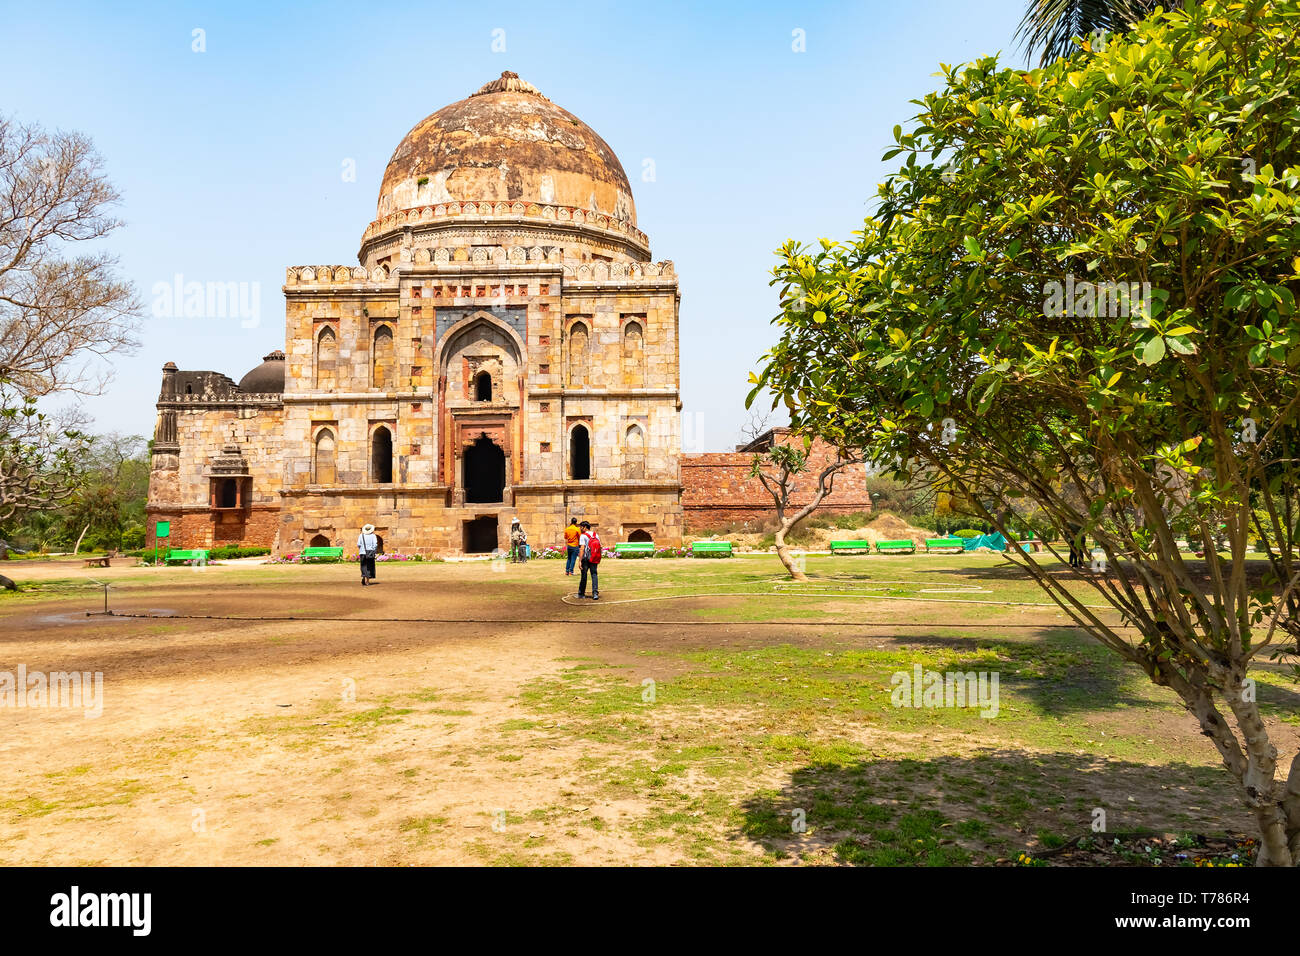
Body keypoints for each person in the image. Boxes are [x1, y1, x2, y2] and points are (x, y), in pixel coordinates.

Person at [577, 520, 601, 600]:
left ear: (585, 527)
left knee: (584, 575)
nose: (580, 529)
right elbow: (599, 546)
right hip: (594, 557)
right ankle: (595, 593)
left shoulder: (583, 536)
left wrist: (580, 560)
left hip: (586, 558)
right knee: (594, 574)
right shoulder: (595, 535)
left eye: (581, 527)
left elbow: (582, 549)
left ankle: (581, 593)